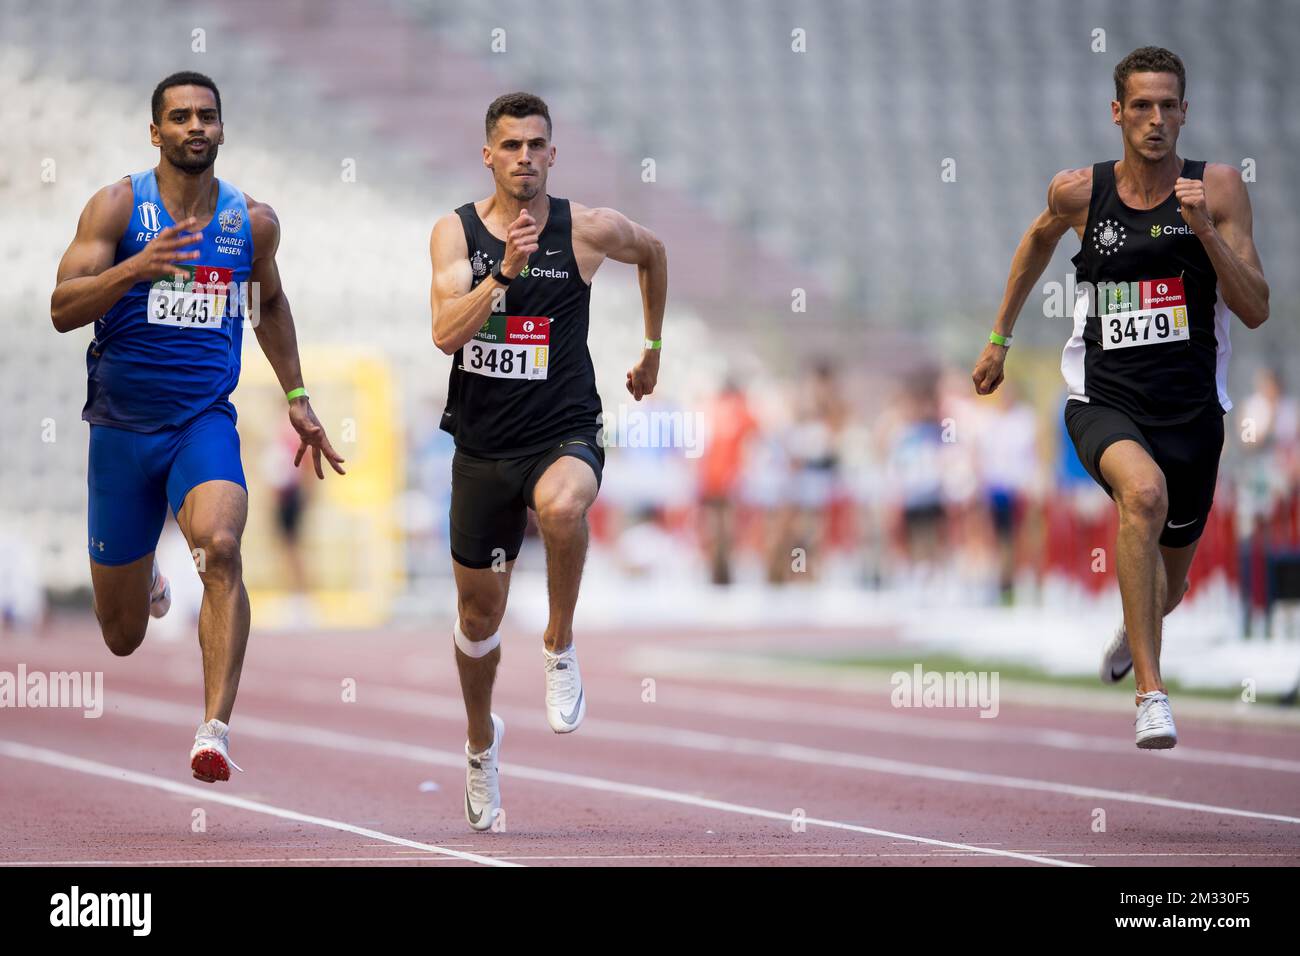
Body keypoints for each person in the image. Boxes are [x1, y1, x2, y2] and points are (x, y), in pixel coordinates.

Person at [50, 71, 345, 781]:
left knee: (221, 545)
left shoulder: (253, 222)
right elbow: (62, 307)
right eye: (179, 117)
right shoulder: (119, 208)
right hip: (120, 431)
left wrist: (297, 395)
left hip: (201, 422)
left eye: (206, 116)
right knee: (122, 636)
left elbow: (268, 304)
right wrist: (137, 269)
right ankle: (145, 571)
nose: (194, 127)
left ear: (222, 128)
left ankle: (213, 730)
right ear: (156, 132)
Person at [972, 48, 1269, 749]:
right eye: (1142, 106)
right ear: (1118, 113)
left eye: (1168, 105)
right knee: (1143, 497)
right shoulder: (1079, 192)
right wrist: (999, 338)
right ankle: (1151, 693)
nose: (1156, 119)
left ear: (1185, 113)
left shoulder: (1218, 189)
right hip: (1102, 397)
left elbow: (1254, 308)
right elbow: (1036, 243)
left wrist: (1202, 232)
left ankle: (1137, 628)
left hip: (1195, 412)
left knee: (1173, 581)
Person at [428, 92, 667, 829]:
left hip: (564, 428)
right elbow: (443, 331)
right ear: (488, 155)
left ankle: (559, 643)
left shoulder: (587, 230)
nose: (524, 157)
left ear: (552, 155)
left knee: (564, 507)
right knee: (477, 619)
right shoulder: (454, 233)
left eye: (537, 145)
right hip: (483, 447)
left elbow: (654, 253)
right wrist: (501, 275)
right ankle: (479, 746)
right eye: (511, 145)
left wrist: (653, 350)